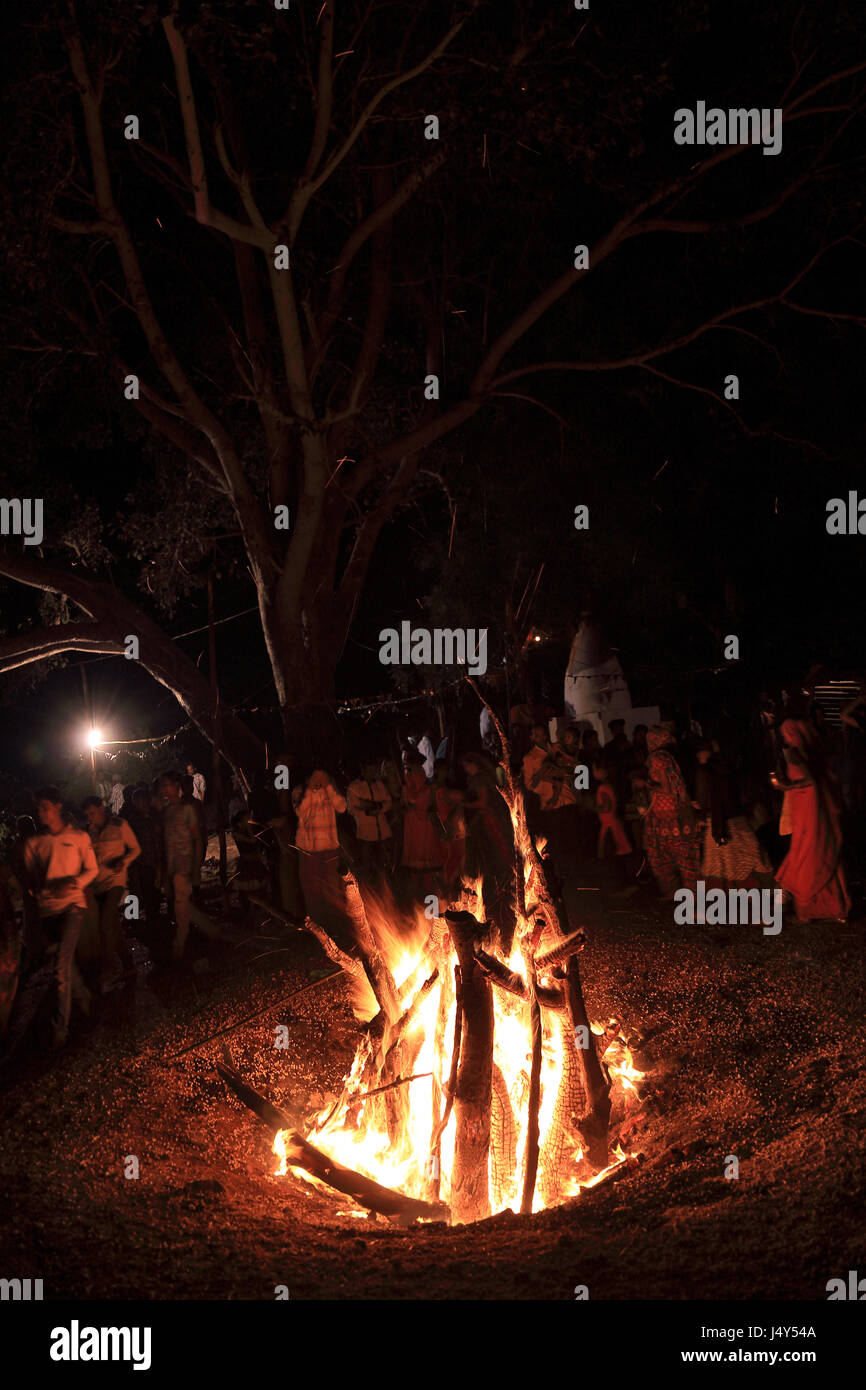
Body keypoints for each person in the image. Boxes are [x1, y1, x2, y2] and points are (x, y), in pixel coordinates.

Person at [21, 787, 98, 1047]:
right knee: (64, 964)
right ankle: (85, 998)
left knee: (60, 967)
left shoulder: (78, 837)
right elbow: (30, 882)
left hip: (73, 908)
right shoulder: (34, 844)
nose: (41, 813)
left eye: (45, 807)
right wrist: (38, 892)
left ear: (57, 806)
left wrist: (74, 883)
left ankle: (60, 1029)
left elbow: (92, 869)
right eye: (38, 808)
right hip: (48, 913)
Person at [772, 719, 850, 922]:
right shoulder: (811, 754)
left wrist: (785, 786)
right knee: (818, 852)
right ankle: (832, 907)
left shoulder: (795, 754)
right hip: (813, 812)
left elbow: (810, 782)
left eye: (787, 734)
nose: (785, 738)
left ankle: (805, 905)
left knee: (807, 855)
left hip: (810, 814)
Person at [692, 741, 772, 890]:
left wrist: (699, 807)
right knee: (749, 856)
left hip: (718, 823)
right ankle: (759, 891)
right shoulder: (730, 768)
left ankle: (726, 895)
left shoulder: (705, 771)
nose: (698, 755)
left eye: (701, 751)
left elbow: (704, 799)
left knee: (720, 863)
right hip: (738, 821)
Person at [82, 796, 141, 992]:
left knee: (106, 924)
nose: (90, 817)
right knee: (114, 928)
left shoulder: (119, 824)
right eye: (87, 814)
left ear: (101, 808)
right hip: (97, 885)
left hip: (116, 881)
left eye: (92, 812)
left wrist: (122, 861)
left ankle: (108, 968)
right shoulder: (89, 832)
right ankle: (128, 965)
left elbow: (135, 849)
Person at [159, 771, 217, 958]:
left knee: (181, 907)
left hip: (185, 866)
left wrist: (195, 868)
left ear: (176, 786)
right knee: (184, 908)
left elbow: (197, 838)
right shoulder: (168, 811)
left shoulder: (188, 809)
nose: (164, 789)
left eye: (167, 784)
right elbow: (167, 843)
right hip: (175, 868)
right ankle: (212, 933)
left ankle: (180, 948)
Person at [642, 727, 701, 898]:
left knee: (661, 856)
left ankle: (675, 894)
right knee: (686, 857)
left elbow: (667, 789)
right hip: (679, 812)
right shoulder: (672, 756)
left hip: (665, 815)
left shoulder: (657, 758)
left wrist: (647, 785)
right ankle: (693, 894)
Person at [293, 769, 349, 935]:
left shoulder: (329, 790)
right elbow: (302, 814)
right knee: (313, 890)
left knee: (333, 888)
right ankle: (320, 929)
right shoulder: (299, 791)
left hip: (330, 848)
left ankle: (337, 925)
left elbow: (342, 807)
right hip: (309, 851)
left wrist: (329, 789)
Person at [522, 724, 579, 878]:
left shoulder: (557, 749)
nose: (541, 737)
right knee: (556, 840)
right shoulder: (530, 758)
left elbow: (574, 767)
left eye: (543, 734)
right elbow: (530, 785)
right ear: (532, 738)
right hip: (550, 804)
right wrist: (544, 777)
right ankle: (561, 872)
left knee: (572, 836)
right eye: (537, 735)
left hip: (568, 798)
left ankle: (574, 870)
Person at [401, 749, 442, 901]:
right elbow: (410, 799)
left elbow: (416, 799)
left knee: (424, 853)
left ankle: (427, 896)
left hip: (422, 822)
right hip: (415, 822)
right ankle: (419, 896)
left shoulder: (421, 782)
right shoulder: (409, 780)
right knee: (417, 853)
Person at [347, 760, 393, 883]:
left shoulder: (379, 785)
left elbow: (388, 802)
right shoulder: (355, 787)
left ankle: (385, 894)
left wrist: (378, 807)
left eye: (374, 770)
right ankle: (367, 896)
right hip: (365, 834)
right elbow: (352, 807)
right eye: (369, 770)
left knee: (383, 867)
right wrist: (367, 807)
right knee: (366, 867)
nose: (372, 773)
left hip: (382, 833)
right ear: (363, 770)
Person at [429, 762, 466, 897]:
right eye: (442, 770)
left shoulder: (448, 788)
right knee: (452, 857)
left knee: (458, 855)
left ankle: (457, 886)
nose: (445, 773)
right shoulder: (437, 788)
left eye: (446, 770)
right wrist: (439, 826)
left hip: (455, 825)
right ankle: (447, 887)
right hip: (448, 825)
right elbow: (433, 808)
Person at [594, 762, 633, 879]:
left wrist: (593, 806)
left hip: (609, 824)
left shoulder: (602, 788)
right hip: (613, 822)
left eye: (594, 770)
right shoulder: (610, 785)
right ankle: (625, 878)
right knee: (619, 851)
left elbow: (607, 807)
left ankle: (619, 880)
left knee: (611, 852)